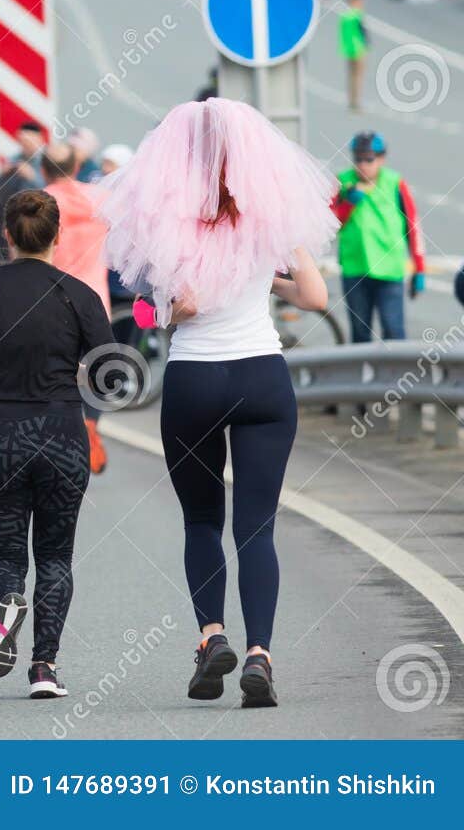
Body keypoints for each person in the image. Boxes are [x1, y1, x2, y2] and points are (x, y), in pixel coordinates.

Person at [99, 98, 334, 708]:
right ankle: (261, 654)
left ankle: (212, 637)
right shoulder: (269, 217)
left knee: (202, 520)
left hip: (196, 380)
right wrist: (261, 276)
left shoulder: (168, 221)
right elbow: (313, 295)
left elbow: (163, 310)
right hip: (263, 376)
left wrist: (169, 305)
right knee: (257, 526)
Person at [0, 190, 115, 699]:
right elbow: (107, 372)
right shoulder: (79, 294)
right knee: (56, 556)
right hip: (62, 432)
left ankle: (8, 604)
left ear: (7, 236)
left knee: (2, 555)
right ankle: (44, 668)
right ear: (58, 236)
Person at [41, 143, 111, 475]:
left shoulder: (41, 202)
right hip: (95, 295)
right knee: (95, 370)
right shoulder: (100, 198)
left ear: (43, 170)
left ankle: (64, 439)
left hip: (55, 297)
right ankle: (92, 425)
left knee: (58, 372)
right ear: (77, 165)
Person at [333, 132, 425, 343]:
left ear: (381, 159)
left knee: (394, 333)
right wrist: (348, 204)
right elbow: (329, 225)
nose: (363, 165)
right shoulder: (343, 183)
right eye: (358, 159)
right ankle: (363, 376)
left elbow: (413, 226)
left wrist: (419, 269)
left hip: (389, 271)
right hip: (355, 269)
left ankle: (398, 377)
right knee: (360, 335)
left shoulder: (395, 183)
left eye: (369, 159)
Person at [340, 0, 367, 111]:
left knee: (351, 77)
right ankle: (356, 103)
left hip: (348, 49)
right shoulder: (357, 15)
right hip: (358, 50)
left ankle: (351, 101)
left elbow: (343, 35)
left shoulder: (345, 16)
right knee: (357, 77)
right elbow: (363, 34)